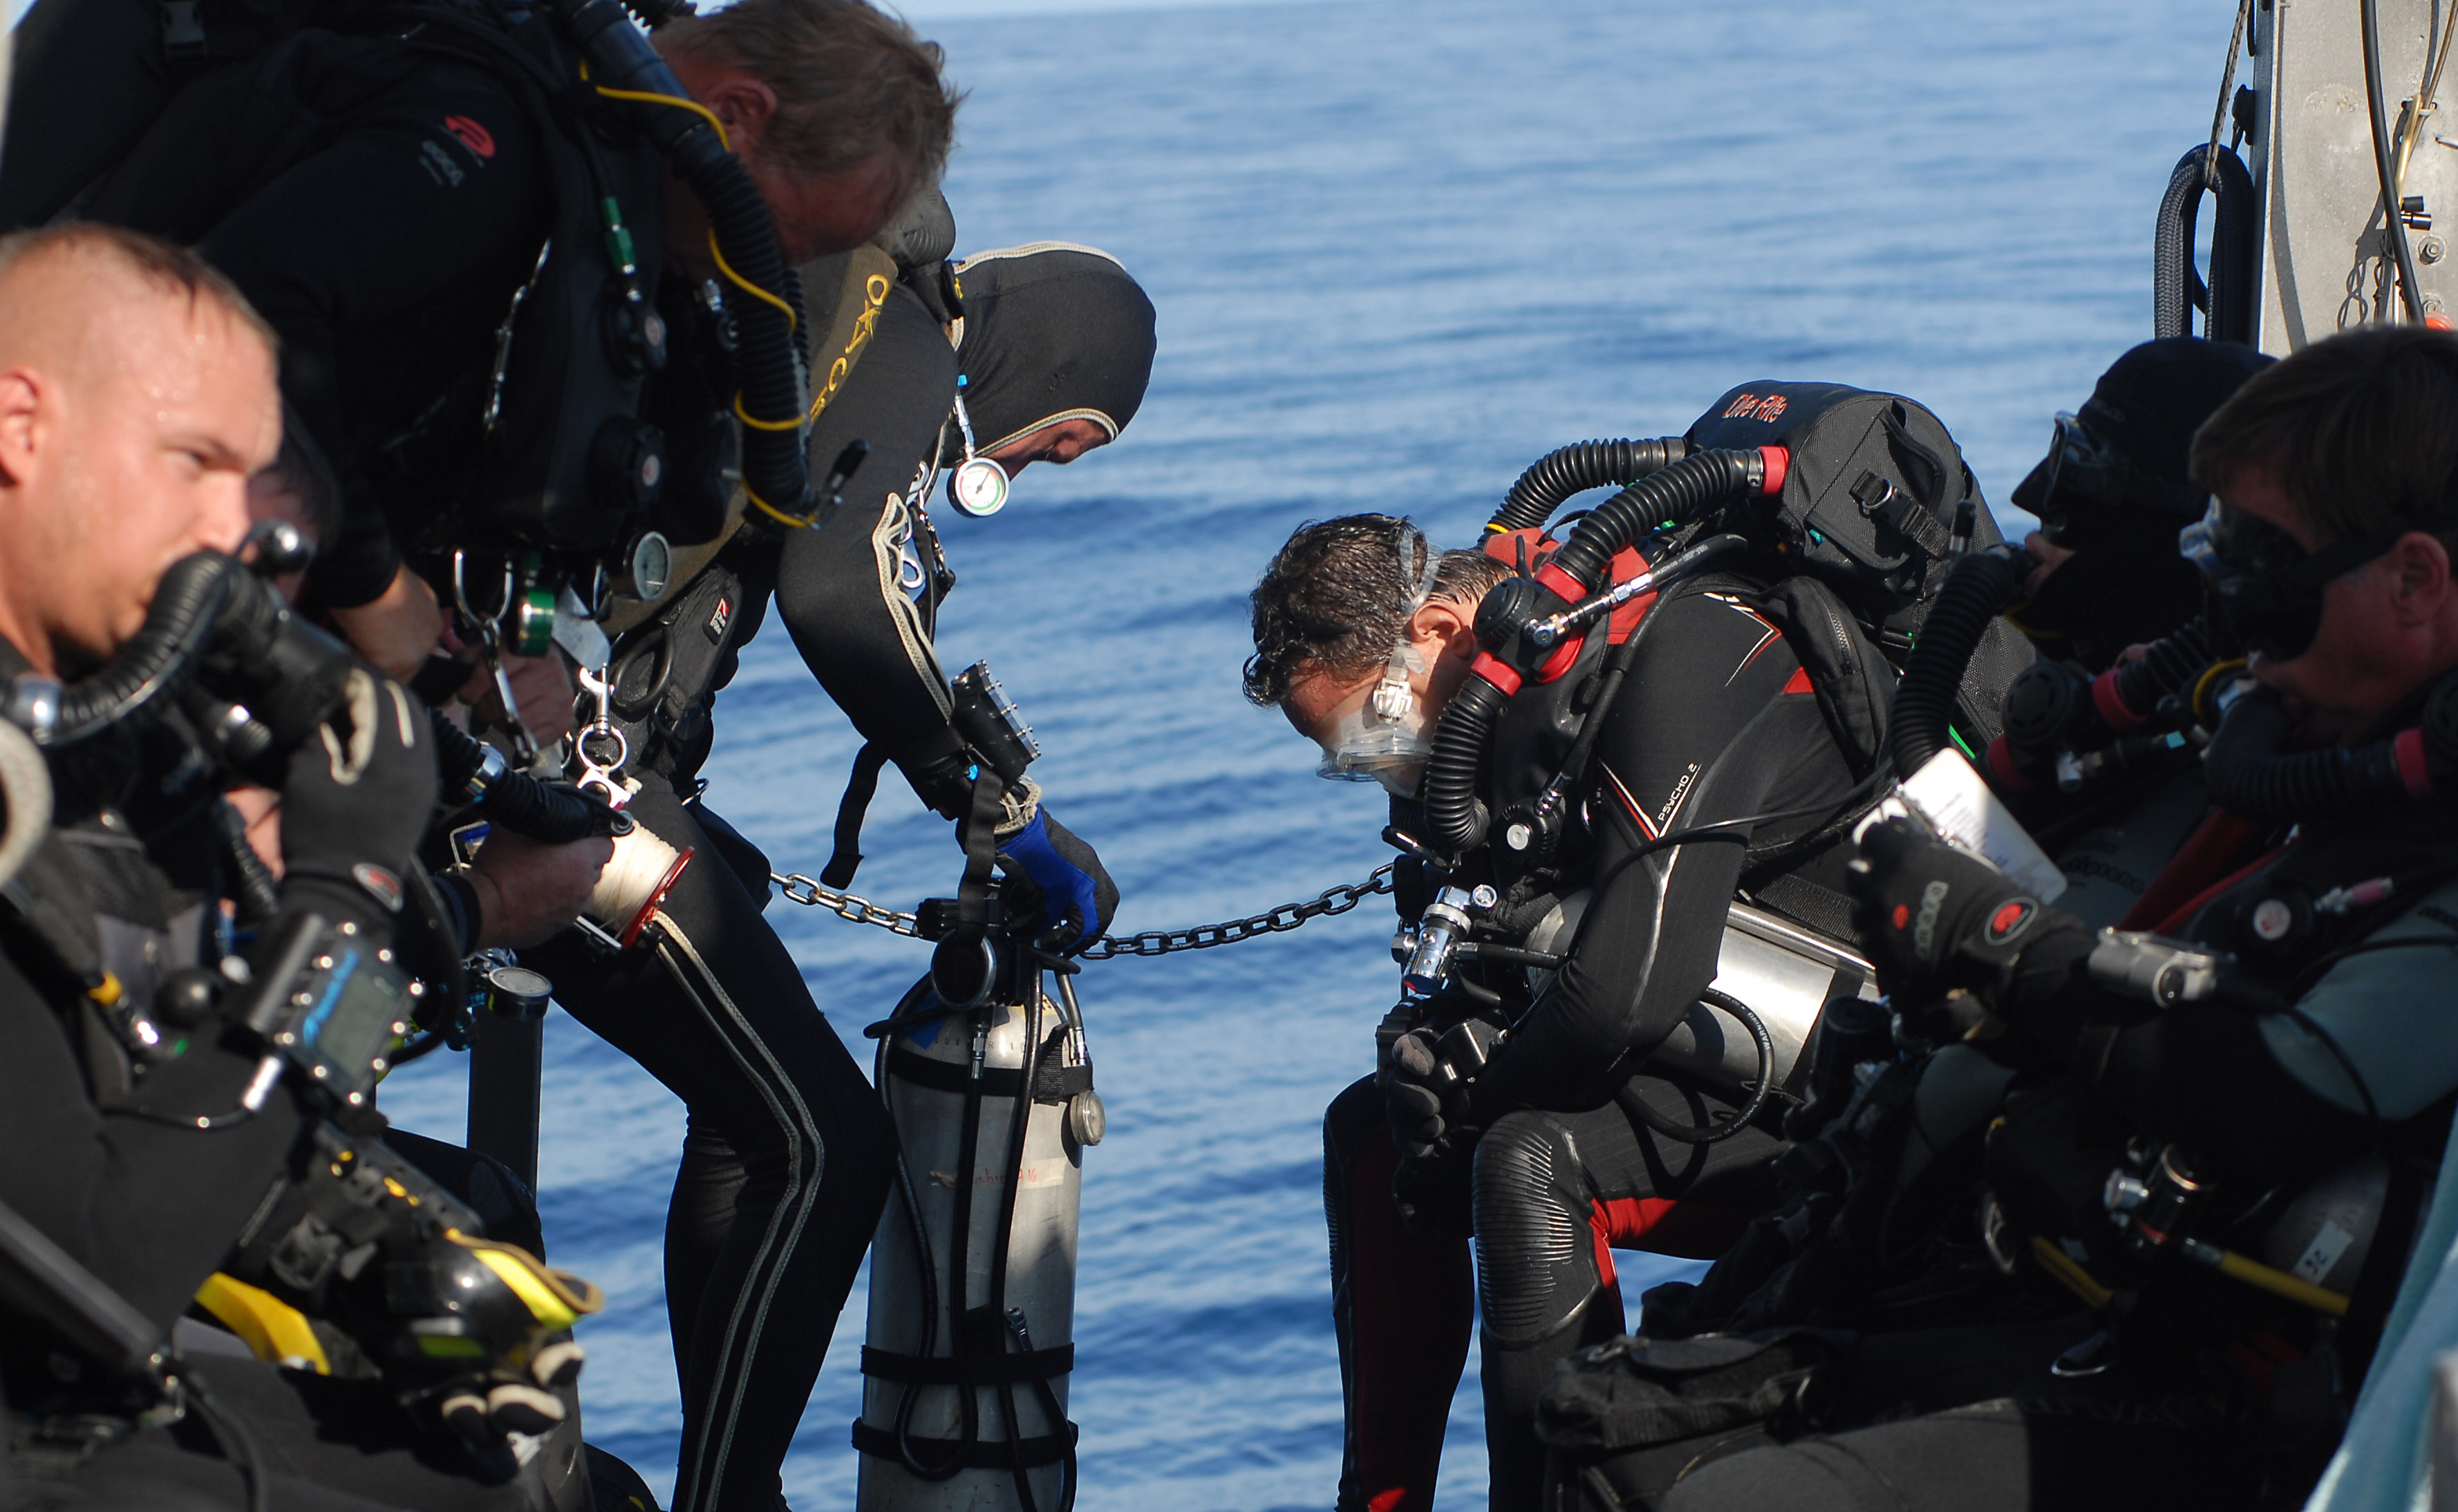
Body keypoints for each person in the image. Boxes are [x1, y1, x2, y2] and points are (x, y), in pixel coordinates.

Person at [1565, 323, 2458, 1512]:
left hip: (2260, 1405)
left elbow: (2276, 1102)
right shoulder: (2333, 752)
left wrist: (1997, 942)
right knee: (1617, 1432)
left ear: (2415, 582)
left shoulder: (2405, 811)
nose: (2237, 630)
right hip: (2137, 1302)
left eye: (2267, 578)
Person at [524, 225, 1154, 1509]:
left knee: (746, 1110)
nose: (1026, 469)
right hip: (551, 780)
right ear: (1050, 371)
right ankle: (731, 1499)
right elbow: (841, 597)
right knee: (827, 1146)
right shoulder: (911, 347)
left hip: (561, 757)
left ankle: (722, 1477)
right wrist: (1005, 813)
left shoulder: (834, 335)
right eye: (1065, 440)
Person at [0, 222, 588, 1511]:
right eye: (194, 463)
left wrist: (369, 1259)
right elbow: (95, 1277)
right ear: (18, 426)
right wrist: (352, 890)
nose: (244, 532)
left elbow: (147, 1079)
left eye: (253, 478)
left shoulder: (105, 748)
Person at [1246, 502, 1887, 1511]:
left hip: (1864, 1090)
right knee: (1372, 1130)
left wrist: (1473, 1106)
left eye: (1374, 731)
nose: (1384, 770)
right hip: (1719, 1066)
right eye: (1350, 759)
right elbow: (1459, 978)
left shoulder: (1684, 649)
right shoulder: (1485, 741)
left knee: (1525, 1160)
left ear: (1441, 634)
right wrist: (1423, 1062)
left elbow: (1627, 995)